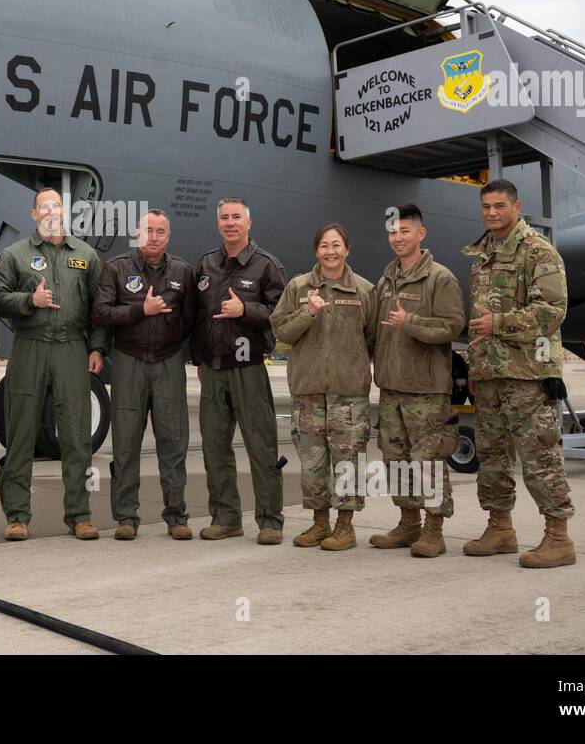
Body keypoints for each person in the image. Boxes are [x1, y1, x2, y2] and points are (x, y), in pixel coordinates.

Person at [462, 178, 576, 568]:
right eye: (486, 207)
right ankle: (500, 529)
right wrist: (476, 367)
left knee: (539, 457)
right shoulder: (482, 254)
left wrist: (500, 323)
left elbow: (552, 312)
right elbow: (479, 318)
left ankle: (559, 538)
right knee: (492, 457)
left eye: (499, 206)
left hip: (527, 374)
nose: (492, 213)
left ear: (516, 206)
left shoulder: (538, 252)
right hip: (491, 374)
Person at [0, 188, 111, 541]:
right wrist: (30, 299)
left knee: (76, 434)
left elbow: (98, 308)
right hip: (30, 345)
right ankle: (17, 516)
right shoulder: (15, 254)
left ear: (64, 211)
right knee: (21, 431)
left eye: (56, 205)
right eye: (44, 206)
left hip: (72, 347)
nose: (51, 211)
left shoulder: (85, 255)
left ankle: (80, 515)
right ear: (34, 215)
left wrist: (98, 347)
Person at [92, 208, 197, 541]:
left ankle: (176, 515)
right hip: (128, 360)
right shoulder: (117, 268)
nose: (153, 237)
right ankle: (126, 516)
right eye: (147, 230)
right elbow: (101, 312)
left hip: (167, 362)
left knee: (173, 442)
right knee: (125, 442)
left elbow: (192, 320)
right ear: (138, 234)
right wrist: (142, 310)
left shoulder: (183, 271)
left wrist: (186, 355)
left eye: (160, 232)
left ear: (168, 236)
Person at [270, 222, 376, 551]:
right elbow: (282, 333)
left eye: (336, 245)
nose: (330, 251)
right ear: (316, 251)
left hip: (348, 394)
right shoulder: (298, 287)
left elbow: (373, 338)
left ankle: (345, 526)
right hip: (309, 391)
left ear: (347, 249)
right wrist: (308, 313)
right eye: (324, 246)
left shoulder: (363, 290)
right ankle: (319, 523)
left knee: (347, 460)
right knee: (312, 461)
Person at [369, 204, 465, 557]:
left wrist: (410, 323)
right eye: (393, 232)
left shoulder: (440, 278)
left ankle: (434, 530)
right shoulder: (386, 279)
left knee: (428, 462)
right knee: (395, 459)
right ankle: (408, 523)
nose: (397, 238)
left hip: (426, 390)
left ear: (420, 234)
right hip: (391, 386)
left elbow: (452, 326)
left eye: (404, 231)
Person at [192, 198, 287, 545]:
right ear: (219, 223)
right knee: (214, 446)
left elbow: (281, 314)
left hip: (248, 367)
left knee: (261, 446)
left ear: (249, 223)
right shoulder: (206, 264)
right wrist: (199, 358)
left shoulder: (266, 266)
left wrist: (244, 310)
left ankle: (270, 520)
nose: (230, 223)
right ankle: (226, 517)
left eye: (236, 217)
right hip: (213, 369)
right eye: (224, 217)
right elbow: (198, 317)